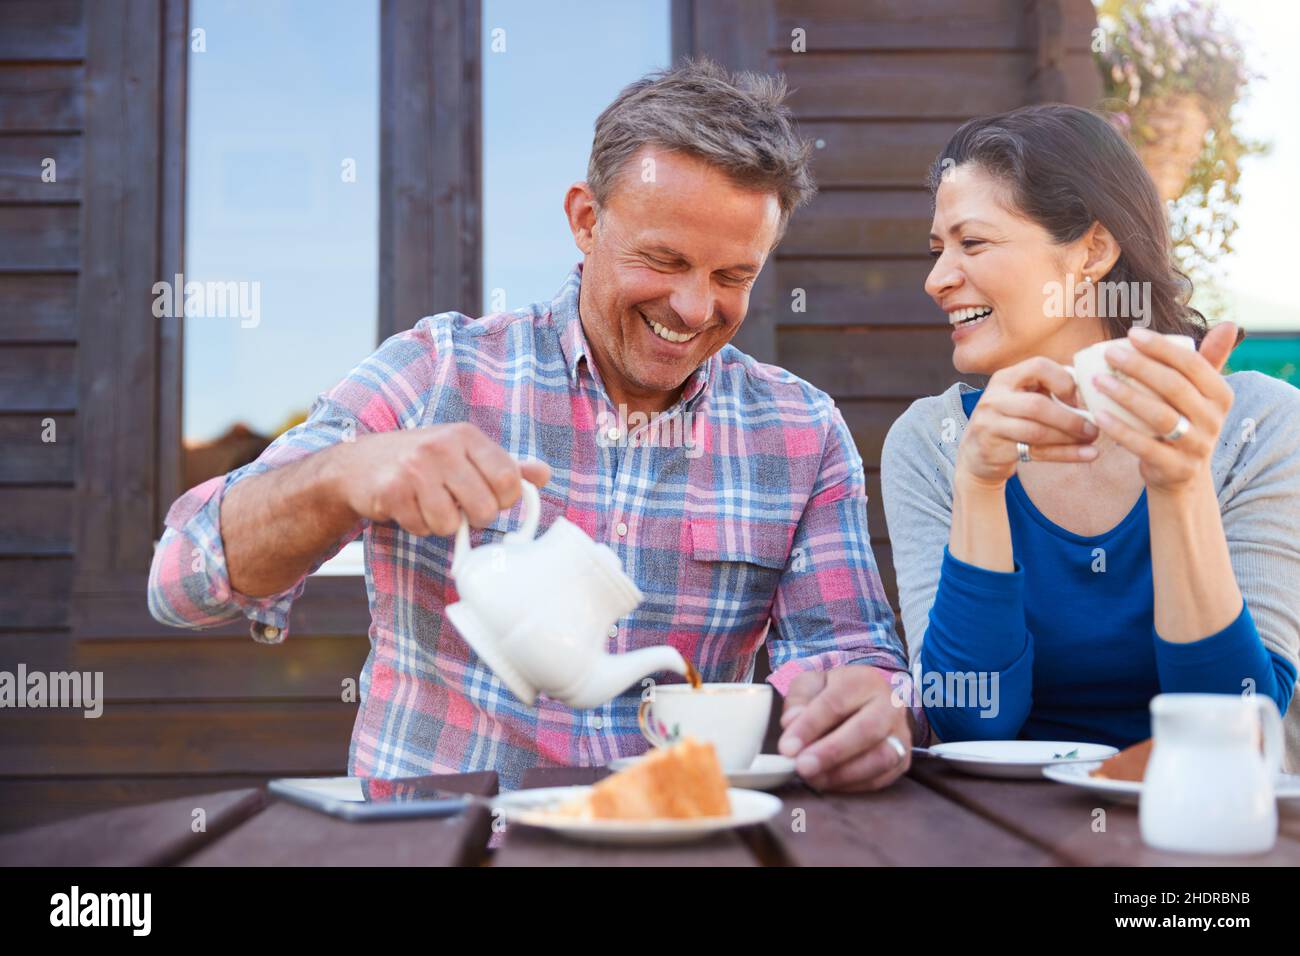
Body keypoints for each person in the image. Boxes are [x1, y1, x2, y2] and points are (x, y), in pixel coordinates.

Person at [148, 58, 923, 791]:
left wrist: (870, 704)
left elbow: (847, 655)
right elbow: (182, 582)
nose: (694, 308)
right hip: (439, 844)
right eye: (663, 259)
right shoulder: (438, 369)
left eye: (733, 277)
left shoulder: (799, 431)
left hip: (673, 846)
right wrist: (343, 477)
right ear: (586, 220)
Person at [881, 103, 1300, 770]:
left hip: (1197, 832)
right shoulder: (929, 443)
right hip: (999, 828)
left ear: (1093, 251)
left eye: (974, 243)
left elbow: (1237, 727)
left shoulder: (1259, 426)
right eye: (938, 250)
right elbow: (969, 722)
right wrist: (981, 485)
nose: (937, 279)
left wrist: (1180, 485)